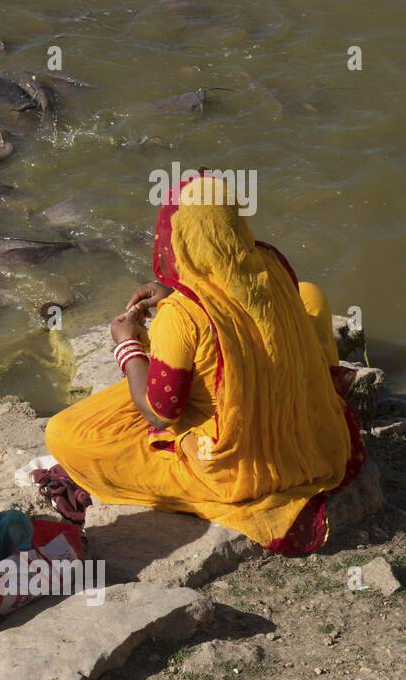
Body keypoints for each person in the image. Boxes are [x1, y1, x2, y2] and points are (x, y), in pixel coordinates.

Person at [45, 173, 364, 554]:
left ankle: (214, 487)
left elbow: (160, 414)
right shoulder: (269, 262)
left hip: (237, 469)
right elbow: (235, 295)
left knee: (63, 433)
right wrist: (171, 294)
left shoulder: (180, 317)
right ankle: (317, 394)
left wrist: (128, 346)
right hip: (311, 436)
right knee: (309, 295)